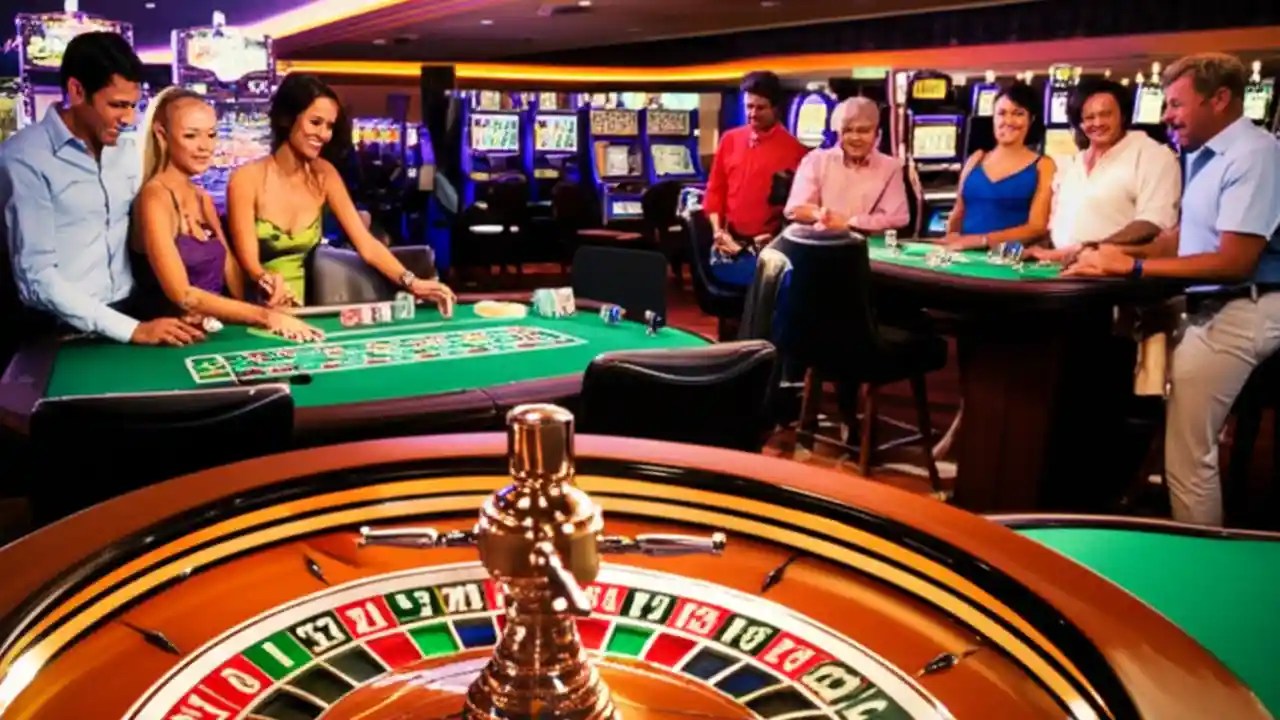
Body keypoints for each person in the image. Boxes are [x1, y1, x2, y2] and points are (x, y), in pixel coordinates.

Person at [1067, 53, 1280, 527]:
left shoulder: (1255, 154)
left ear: (1220, 99)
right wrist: (1101, 252)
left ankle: (1201, 569)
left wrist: (1137, 268)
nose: (1166, 115)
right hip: (1211, 304)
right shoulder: (1203, 153)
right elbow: (1182, 237)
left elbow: (1235, 261)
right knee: (1158, 420)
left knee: (1187, 458)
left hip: (1246, 307)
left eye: (1177, 104)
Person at [0, 32, 202, 347]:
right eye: (117, 105)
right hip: (58, 330)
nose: (129, 118)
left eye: (134, 105)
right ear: (77, 91)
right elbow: (36, 277)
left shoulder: (127, 152)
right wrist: (131, 329)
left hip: (127, 313)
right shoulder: (25, 158)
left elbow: (147, 227)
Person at [227, 73, 454, 312]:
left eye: (330, 126)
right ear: (286, 119)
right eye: (315, 123)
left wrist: (412, 281)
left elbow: (366, 243)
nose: (324, 134)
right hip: (261, 308)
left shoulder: (324, 175)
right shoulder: (246, 179)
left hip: (309, 310)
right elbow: (249, 264)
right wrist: (268, 281)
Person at [131, 87, 324, 342]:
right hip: (169, 343)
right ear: (162, 134)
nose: (205, 146)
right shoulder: (154, 197)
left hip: (209, 335)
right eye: (191, 136)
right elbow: (184, 295)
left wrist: (266, 290)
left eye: (211, 135)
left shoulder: (203, 198)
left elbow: (230, 274)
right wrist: (265, 317)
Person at [1032, 77, 1182, 262]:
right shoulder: (1073, 162)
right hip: (1061, 265)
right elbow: (1059, 225)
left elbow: (1154, 222)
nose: (1098, 123)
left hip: (1117, 273)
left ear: (1123, 115)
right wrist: (1030, 251)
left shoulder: (1153, 155)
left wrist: (1091, 250)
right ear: (1079, 123)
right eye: (1089, 117)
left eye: (1106, 114)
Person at [703, 71, 809, 286]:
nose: (752, 113)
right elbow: (715, 192)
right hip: (728, 251)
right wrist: (718, 233)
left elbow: (798, 210)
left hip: (773, 249)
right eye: (749, 106)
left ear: (776, 108)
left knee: (785, 281)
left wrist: (776, 239)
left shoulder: (796, 151)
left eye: (760, 108)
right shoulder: (730, 140)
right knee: (775, 283)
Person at [942, 82, 1055, 252]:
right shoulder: (976, 159)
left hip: (1010, 261)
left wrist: (983, 240)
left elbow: (1037, 227)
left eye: (1018, 114)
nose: (1008, 121)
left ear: (1030, 119)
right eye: (1001, 113)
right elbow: (958, 212)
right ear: (993, 118)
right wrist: (949, 240)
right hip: (964, 256)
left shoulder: (1044, 165)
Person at [784, 96, 909, 234]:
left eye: (863, 131)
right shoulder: (815, 160)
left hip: (865, 247)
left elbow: (898, 218)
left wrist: (849, 223)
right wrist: (820, 215)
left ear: (877, 134)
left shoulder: (891, 167)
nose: (855, 137)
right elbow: (794, 209)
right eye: (848, 130)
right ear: (838, 133)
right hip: (820, 245)